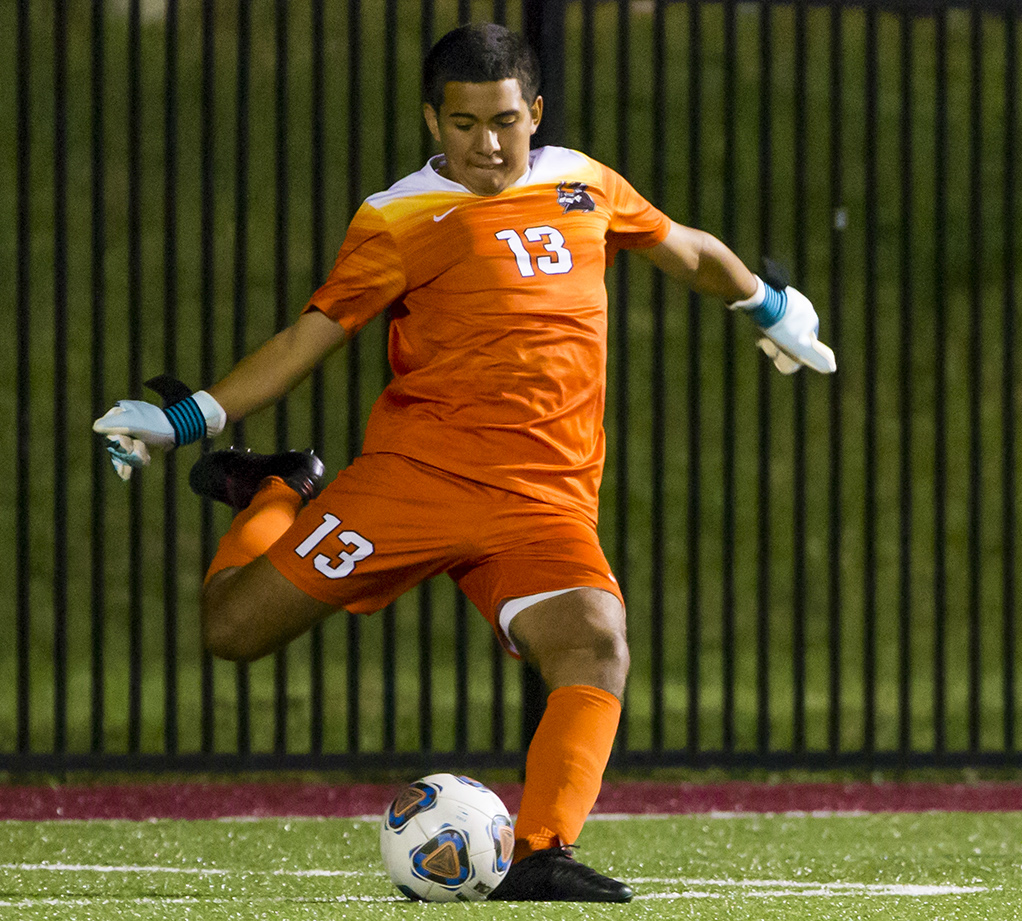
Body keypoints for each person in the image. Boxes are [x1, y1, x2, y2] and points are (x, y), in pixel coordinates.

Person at [92, 22, 835, 903]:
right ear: (430, 121)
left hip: (542, 502)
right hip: (417, 482)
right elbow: (310, 336)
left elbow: (685, 247)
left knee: (596, 643)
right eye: (464, 123)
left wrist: (767, 302)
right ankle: (275, 487)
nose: (488, 143)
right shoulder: (397, 217)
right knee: (231, 632)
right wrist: (190, 416)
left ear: (537, 113)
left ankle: (541, 853)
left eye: (507, 121)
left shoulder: (584, 182)